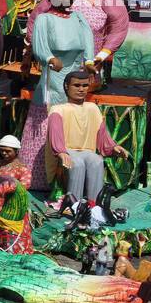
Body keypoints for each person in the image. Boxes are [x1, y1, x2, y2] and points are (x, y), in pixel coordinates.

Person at [20, 0, 95, 191]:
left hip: (74, 77)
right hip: (53, 79)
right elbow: (39, 45)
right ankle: (40, 179)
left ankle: (68, 181)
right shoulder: (45, 18)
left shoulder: (79, 18)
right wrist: (49, 58)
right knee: (47, 123)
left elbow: (88, 41)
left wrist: (89, 61)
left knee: (71, 121)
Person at [26, 0, 128, 82]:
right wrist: (48, 57)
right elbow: (33, 27)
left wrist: (102, 55)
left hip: (90, 68)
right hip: (57, 68)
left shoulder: (108, 1)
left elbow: (119, 30)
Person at [47, 70, 128, 207]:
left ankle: (94, 205)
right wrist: (61, 151)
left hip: (87, 150)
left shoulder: (93, 108)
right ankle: (74, 205)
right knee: (77, 163)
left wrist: (113, 147)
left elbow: (102, 134)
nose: (81, 89)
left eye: (85, 86)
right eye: (77, 85)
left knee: (96, 161)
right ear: (67, 86)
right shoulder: (58, 109)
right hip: (68, 150)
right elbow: (55, 134)